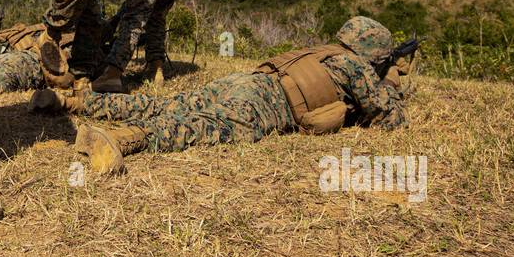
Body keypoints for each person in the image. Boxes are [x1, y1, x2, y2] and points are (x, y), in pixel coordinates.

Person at [32, 17, 413, 175]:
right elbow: (390, 120)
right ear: (375, 54)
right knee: (201, 127)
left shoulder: (324, 51)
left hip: (244, 81)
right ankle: (121, 139)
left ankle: (72, 101)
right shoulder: (358, 67)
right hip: (266, 103)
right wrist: (393, 82)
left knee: (166, 104)